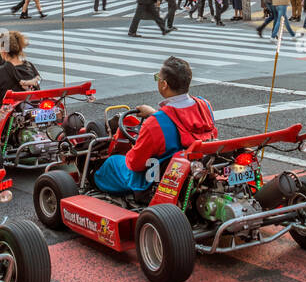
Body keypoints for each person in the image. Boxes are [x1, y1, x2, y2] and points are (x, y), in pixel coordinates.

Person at [93, 57, 217, 196]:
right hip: (194, 166)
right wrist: (154, 114)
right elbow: (184, 123)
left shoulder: (155, 123)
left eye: (158, 77)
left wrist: (148, 127)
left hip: (155, 178)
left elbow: (135, 164)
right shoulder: (204, 106)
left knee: (112, 162)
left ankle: (92, 186)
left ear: (164, 84)